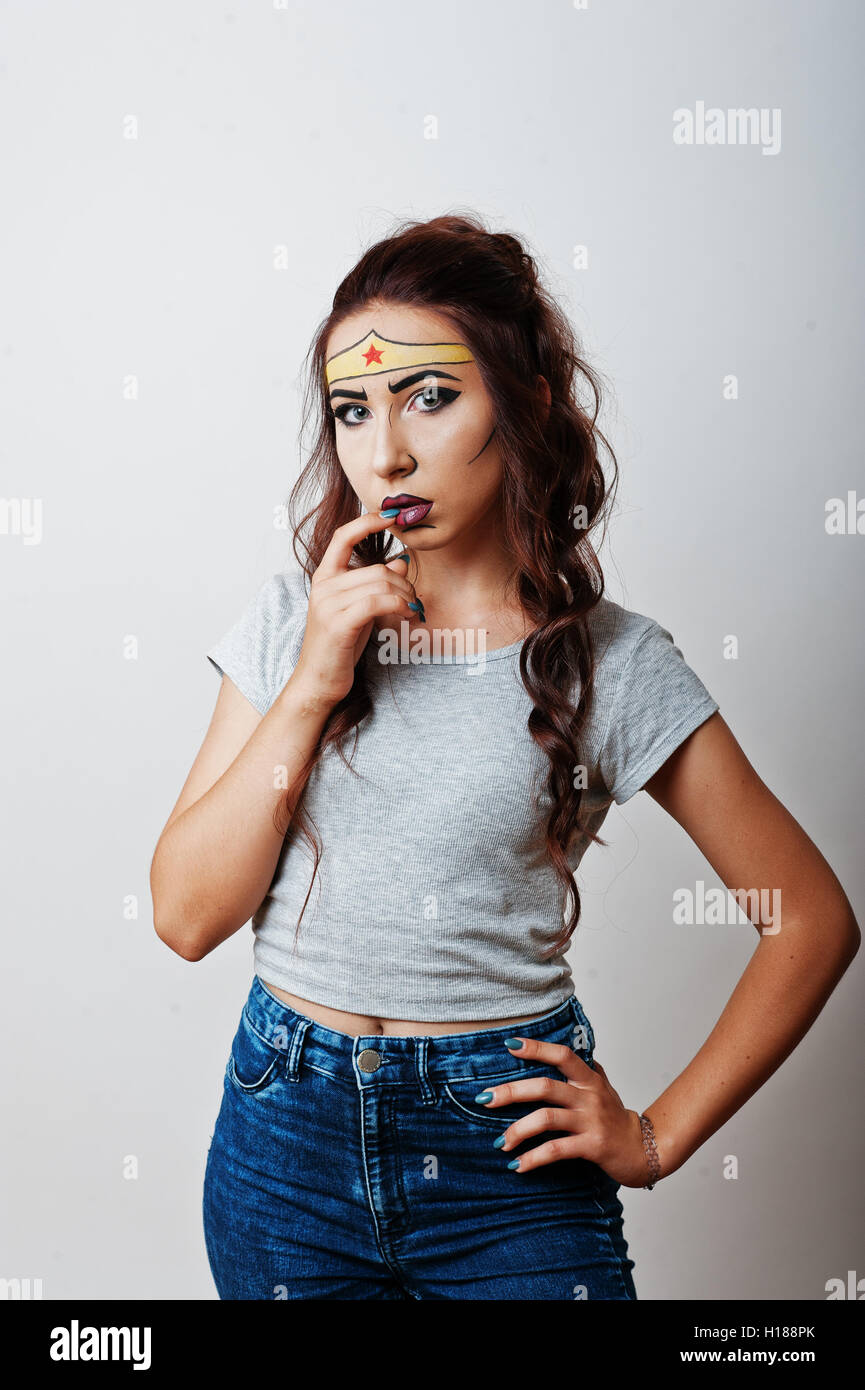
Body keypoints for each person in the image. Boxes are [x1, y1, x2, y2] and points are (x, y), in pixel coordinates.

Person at [150, 213, 860, 1301]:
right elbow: (187, 917)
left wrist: (656, 1136)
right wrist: (313, 678)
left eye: (429, 397)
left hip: (504, 1159)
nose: (384, 450)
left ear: (526, 399)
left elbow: (809, 917)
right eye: (352, 410)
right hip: (283, 1145)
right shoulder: (294, 618)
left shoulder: (613, 662)